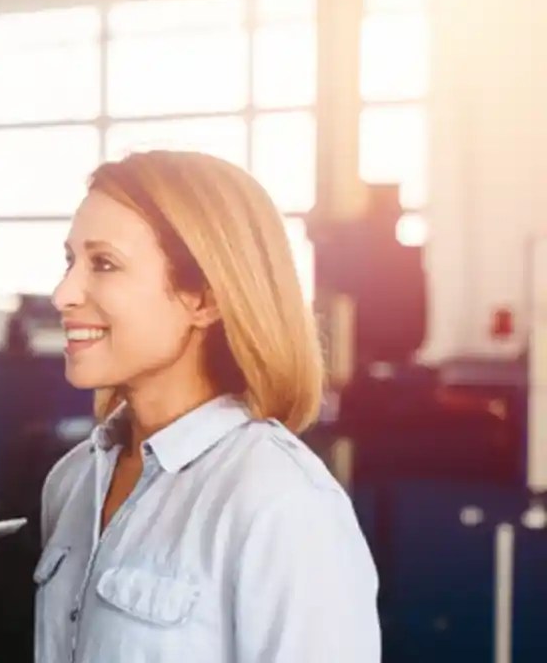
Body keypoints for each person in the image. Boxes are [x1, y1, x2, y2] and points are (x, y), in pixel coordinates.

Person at [36, 151, 380, 662]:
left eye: (104, 263)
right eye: (71, 261)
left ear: (205, 298)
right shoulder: (72, 482)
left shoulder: (283, 506)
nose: (63, 293)